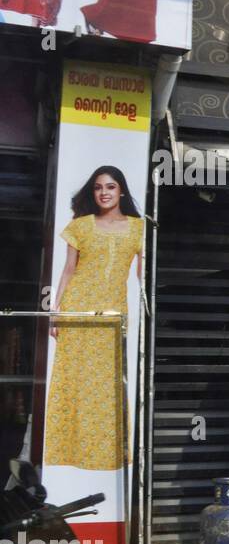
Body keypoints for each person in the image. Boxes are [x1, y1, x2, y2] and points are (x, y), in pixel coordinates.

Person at [45, 165, 144, 471]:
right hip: (77, 307)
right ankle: (65, 453)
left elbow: (143, 275)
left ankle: (106, 455)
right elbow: (68, 271)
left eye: (111, 187)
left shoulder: (139, 228)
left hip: (113, 312)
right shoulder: (81, 225)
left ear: (121, 191)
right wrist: (55, 313)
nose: (104, 193)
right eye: (99, 187)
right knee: (72, 378)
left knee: (107, 383)